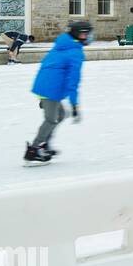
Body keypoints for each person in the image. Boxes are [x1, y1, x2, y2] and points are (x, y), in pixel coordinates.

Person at [25, 21, 90, 164]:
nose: (87, 37)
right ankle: (34, 150)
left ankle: (45, 144)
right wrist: (74, 105)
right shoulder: (74, 52)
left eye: (87, 34)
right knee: (51, 119)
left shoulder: (63, 44)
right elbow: (73, 82)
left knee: (60, 114)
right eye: (84, 34)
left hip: (45, 85)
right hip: (51, 89)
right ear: (76, 35)